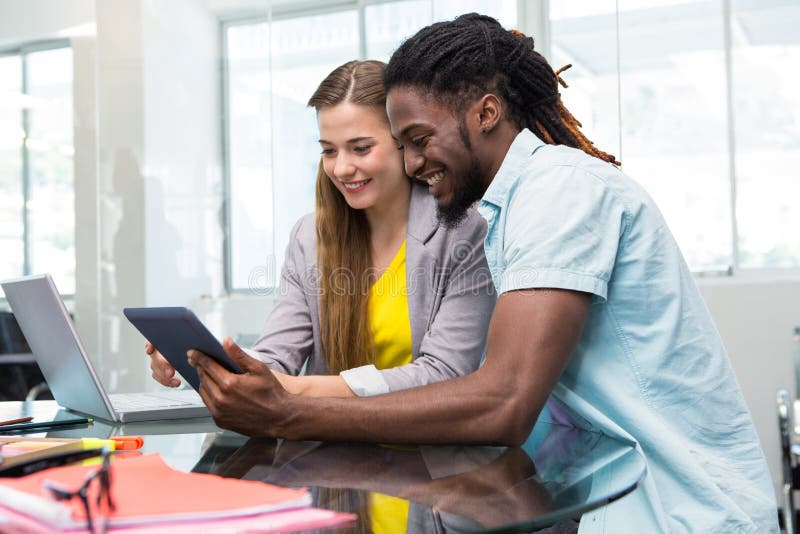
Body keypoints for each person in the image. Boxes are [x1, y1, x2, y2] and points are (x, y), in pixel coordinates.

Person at [184, 15, 777, 533]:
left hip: (683, 509)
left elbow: (504, 402)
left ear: (486, 112)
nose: (413, 164)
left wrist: (290, 412)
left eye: (417, 141)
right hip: (617, 501)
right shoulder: (509, 208)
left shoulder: (559, 191)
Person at [148, 60, 495, 399]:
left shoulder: (463, 229)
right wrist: (205, 358)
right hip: (333, 452)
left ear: (403, 142)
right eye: (329, 151)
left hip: (432, 454)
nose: (342, 168)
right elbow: (276, 358)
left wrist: (299, 387)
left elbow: (445, 374)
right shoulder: (309, 236)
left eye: (361, 148)